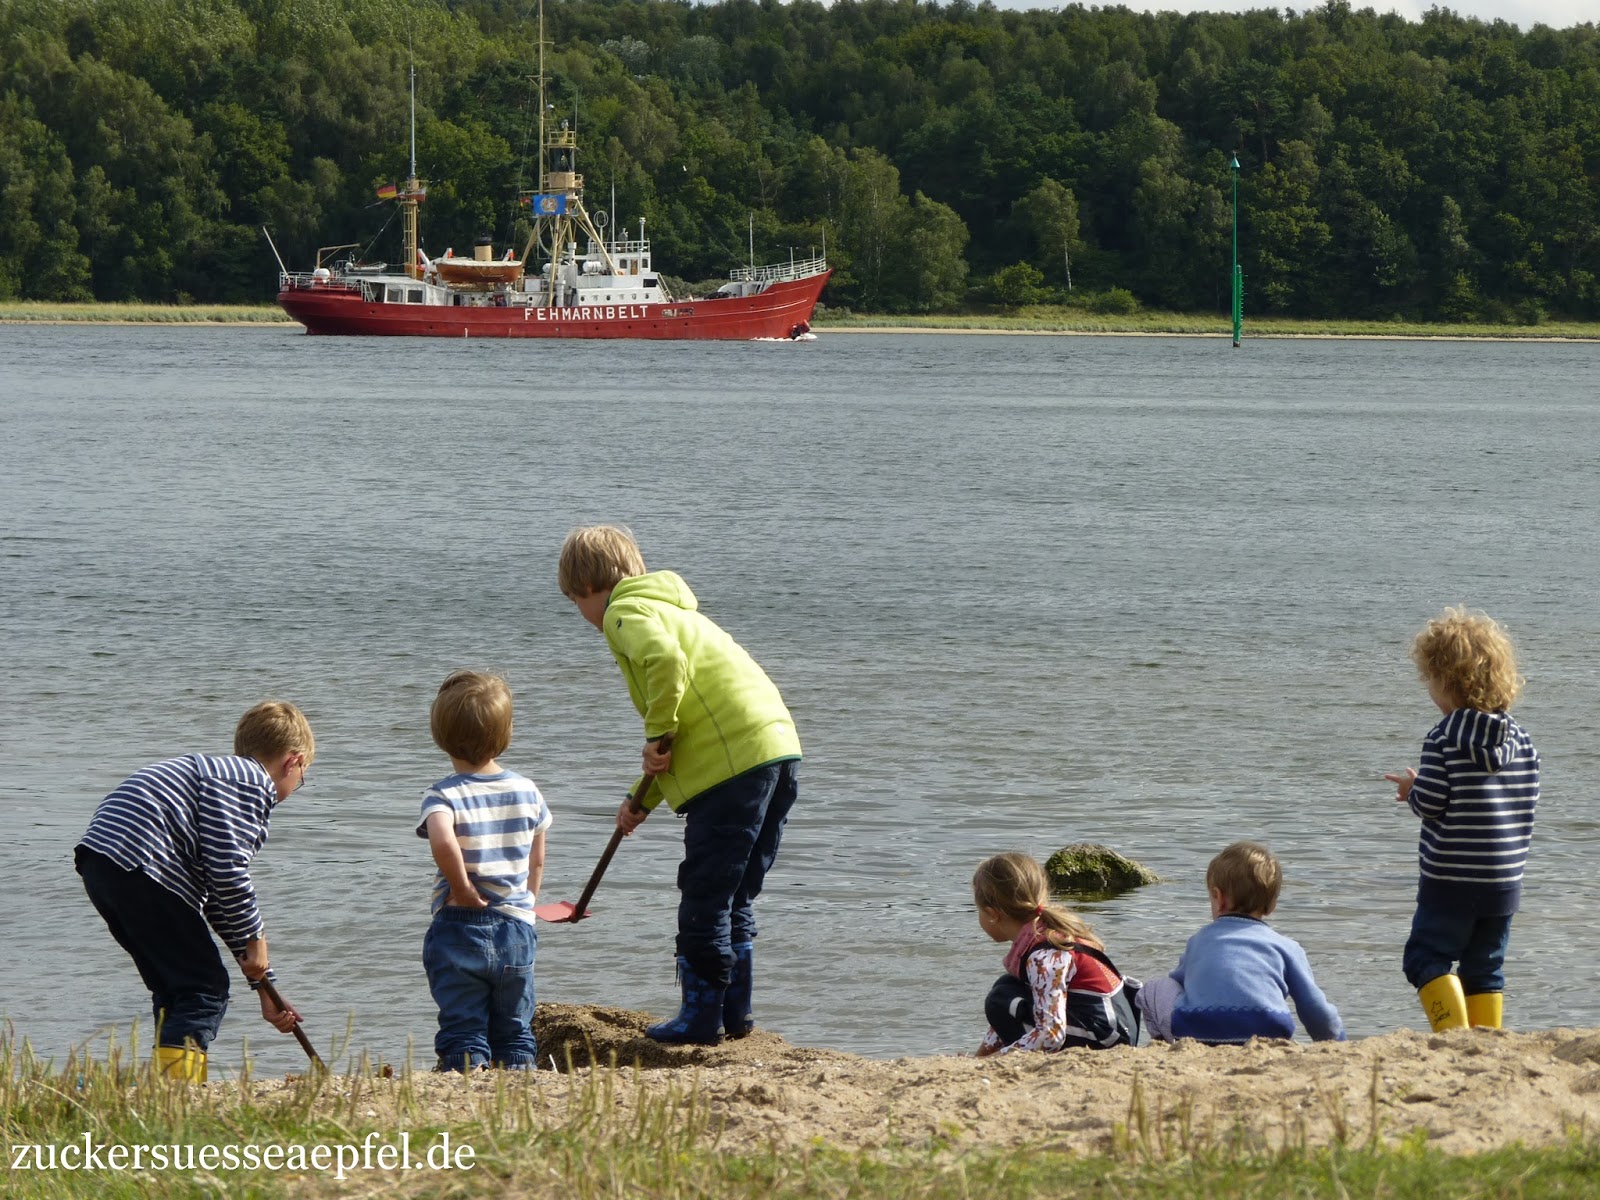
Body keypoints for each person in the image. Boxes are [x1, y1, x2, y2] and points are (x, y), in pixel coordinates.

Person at [558, 525, 800, 1045]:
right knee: (734, 895)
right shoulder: (678, 612)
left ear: (587, 589)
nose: (582, 616)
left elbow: (666, 669)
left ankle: (701, 1020)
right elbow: (689, 735)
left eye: (575, 602)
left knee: (704, 897)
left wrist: (655, 731)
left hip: (733, 765)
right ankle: (737, 1017)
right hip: (775, 750)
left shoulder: (625, 613)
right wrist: (637, 801)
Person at [74, 701, 314, 1081]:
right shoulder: (252, 783)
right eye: (302, 779)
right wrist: (258, 940)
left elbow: (218, 899)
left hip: (104, 862)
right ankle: (177, 1090)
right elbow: (229, 871)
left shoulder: (217, 775)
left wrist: (264, 986)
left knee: (177, 987)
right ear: (292, 762)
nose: (292, 789)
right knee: (204, 988)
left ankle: (166, 1082)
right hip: (143, 863)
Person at [1384, 607, 1539, 1032]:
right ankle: (1489, 1040)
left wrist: (1411, 790)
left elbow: (1432, 803)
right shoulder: (1522, 740)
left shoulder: (1443, 736)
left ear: (1447, 683)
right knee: (1484, 968)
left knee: (1425, 958)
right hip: (1503, 881)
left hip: (1450, 880)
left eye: (1431, 680)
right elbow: (1528, 801)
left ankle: (1453, 1037)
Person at [417, 670, 550, 1071]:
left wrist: (462, 887)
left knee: (463, 1022)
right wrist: (528, 903)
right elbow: (537, 857)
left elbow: (442, 840)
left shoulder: (444, 792)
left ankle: (466, 1078)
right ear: (506, 733)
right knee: (514, 1024)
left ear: (440, 735)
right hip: (515, 924)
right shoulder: (527, 790)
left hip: (460, 922)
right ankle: (519, 1079)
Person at [1137, 842, 1344, 1045]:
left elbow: (1179, 983)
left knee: (1155, 987)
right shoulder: (1287, 947)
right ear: (1272, 906)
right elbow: (1314, 1008)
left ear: (1218, 898)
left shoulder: (1200, 940)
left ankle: (1165, 1043)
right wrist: (1336, 1041)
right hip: (1270, 1029)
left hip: (1199, 1032)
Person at [973, 852, 1139, 1056]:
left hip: (1107, 1040)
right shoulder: (1044, 933)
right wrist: (980, 1057)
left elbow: (1051, 1034)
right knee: (1007, 987)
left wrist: (999, 1058)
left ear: (992, 915)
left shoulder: (1044, 955)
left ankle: (1019, 1055)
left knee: (1000, 999)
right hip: (1109, 1028)